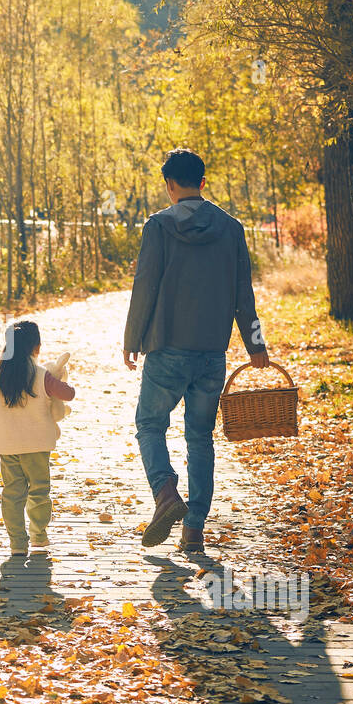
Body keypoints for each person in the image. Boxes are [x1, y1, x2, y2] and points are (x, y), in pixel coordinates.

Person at [122, 149, 270, 553]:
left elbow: (145, 286)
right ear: (202, 182)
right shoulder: (231, 228)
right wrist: (255, 343)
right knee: (200, 438)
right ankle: (194, 530)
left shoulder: (158, 226)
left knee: (150, 425)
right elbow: (244, 293)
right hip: (210, 353)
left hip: (166, 348)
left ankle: (165, 492)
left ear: (170, 185)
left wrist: (131, 339)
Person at [0, 321, 75, 555]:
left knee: (12, 493)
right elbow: (69, 394)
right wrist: (59, 377)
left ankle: (17, 543)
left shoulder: (0, 377)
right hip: (36, 445)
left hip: (8, 445)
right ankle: (39, 536)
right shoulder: (41, 375)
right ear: (36, 347)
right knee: (39, 491)